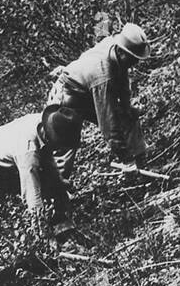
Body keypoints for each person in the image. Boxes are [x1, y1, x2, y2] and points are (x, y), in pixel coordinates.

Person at [0, 106, 83, 286]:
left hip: (8, 165)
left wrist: (60, 188)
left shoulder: (48, 122)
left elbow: (49, 166)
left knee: (55, 185)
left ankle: (65, 236)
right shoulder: (28, 149)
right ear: (48, 135)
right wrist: (44, 238)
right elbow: (33, 202)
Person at [45, 24, 150, 174]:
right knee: (65, 143)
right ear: (121, 51)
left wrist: (127, 108)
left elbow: (123, 82)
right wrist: (126, 159)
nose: (136, 62)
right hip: (68, 95)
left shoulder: (117, 51)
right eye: (133, 58)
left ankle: (141, 163)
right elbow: (108, 124)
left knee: (128, 116)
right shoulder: (102, 75)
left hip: (86, 90)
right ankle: (56, 189)